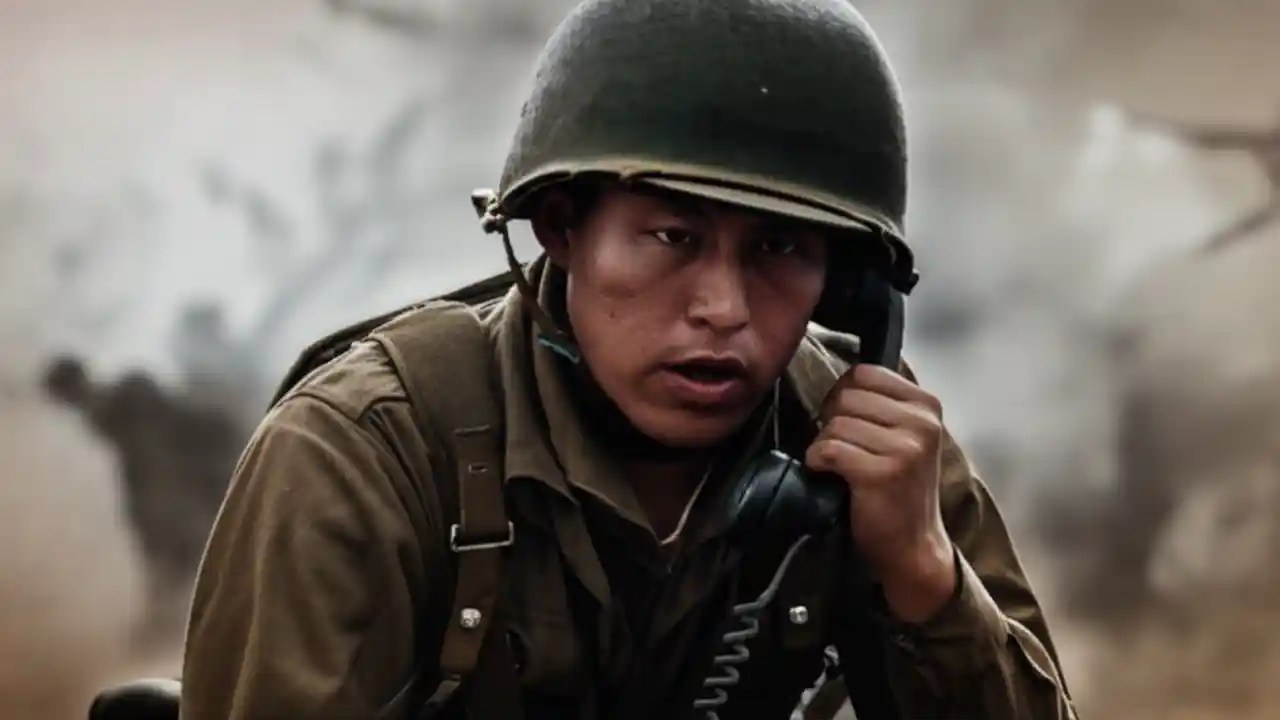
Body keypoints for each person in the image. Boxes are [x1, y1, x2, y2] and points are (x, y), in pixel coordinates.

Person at [179, 1, 1077, 718]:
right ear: (562, 228)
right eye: (671, 237)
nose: (723, 308)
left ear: (845, 289)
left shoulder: (871, 447)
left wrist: (922, 572)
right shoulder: (366, 454)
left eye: (781, 250)